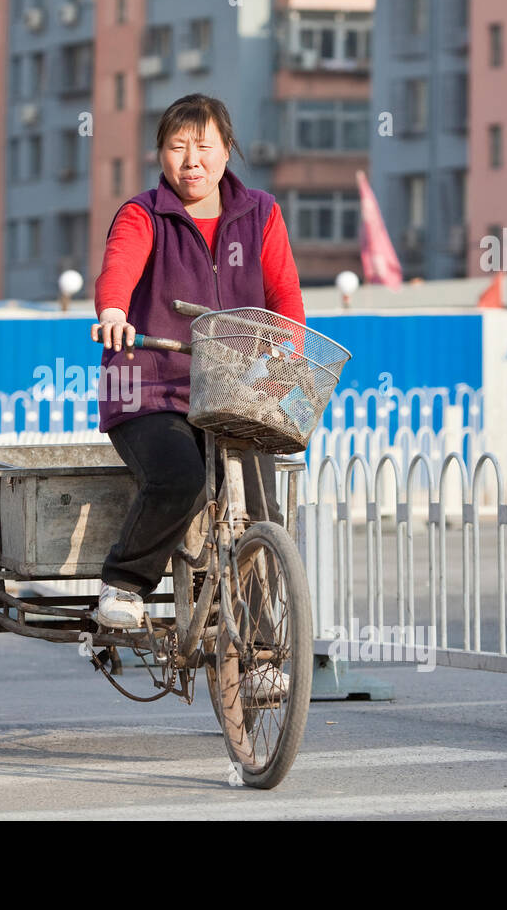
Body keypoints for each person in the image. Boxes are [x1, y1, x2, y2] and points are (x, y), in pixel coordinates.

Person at [89, 94, 306, 695]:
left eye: (204, 146)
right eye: (178, 147)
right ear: (161, 154)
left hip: (236, 386)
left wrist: (286, 351)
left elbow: (285, 295)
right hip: (151, 387)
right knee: (180, 477)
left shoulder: (260, 213)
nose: (192, 160)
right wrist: (113, 309)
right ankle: (125, 584)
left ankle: (262, 655)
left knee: (263, 510)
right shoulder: (143, 215)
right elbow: (119, 268)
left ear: (226, 150)